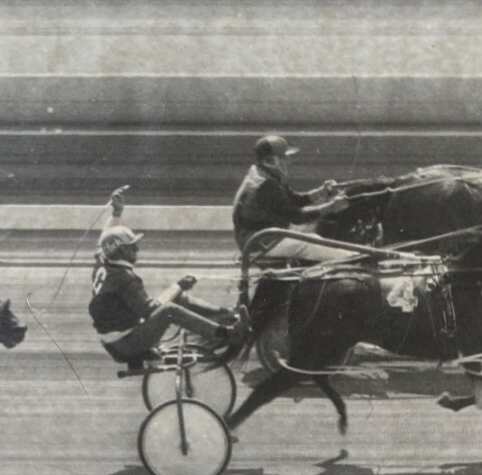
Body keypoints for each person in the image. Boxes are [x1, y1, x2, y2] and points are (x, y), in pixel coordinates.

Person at [88, 187, 239, 369]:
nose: (137, 250)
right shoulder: (124, 279)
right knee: (170, 310)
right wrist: (178, 285)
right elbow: (151, 310)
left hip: (119, 337)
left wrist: (116, 213)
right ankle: (227, 334)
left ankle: (227, 315)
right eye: (131, 247)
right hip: (125, 345)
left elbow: (105, 237)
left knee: (180, 298)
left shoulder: (103, 261)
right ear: (120, 251)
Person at [231, 134, 349, 260]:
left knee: (315, 229)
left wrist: (320, 192)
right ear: (270, 161)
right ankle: (353, 258)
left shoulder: (264, 175)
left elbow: (293, 199)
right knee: (309, 243)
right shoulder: (265, 185)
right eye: (284, 158)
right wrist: (331, 207)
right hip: (260, 241)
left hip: (261, 235)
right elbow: (298, 217)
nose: (288, 161)